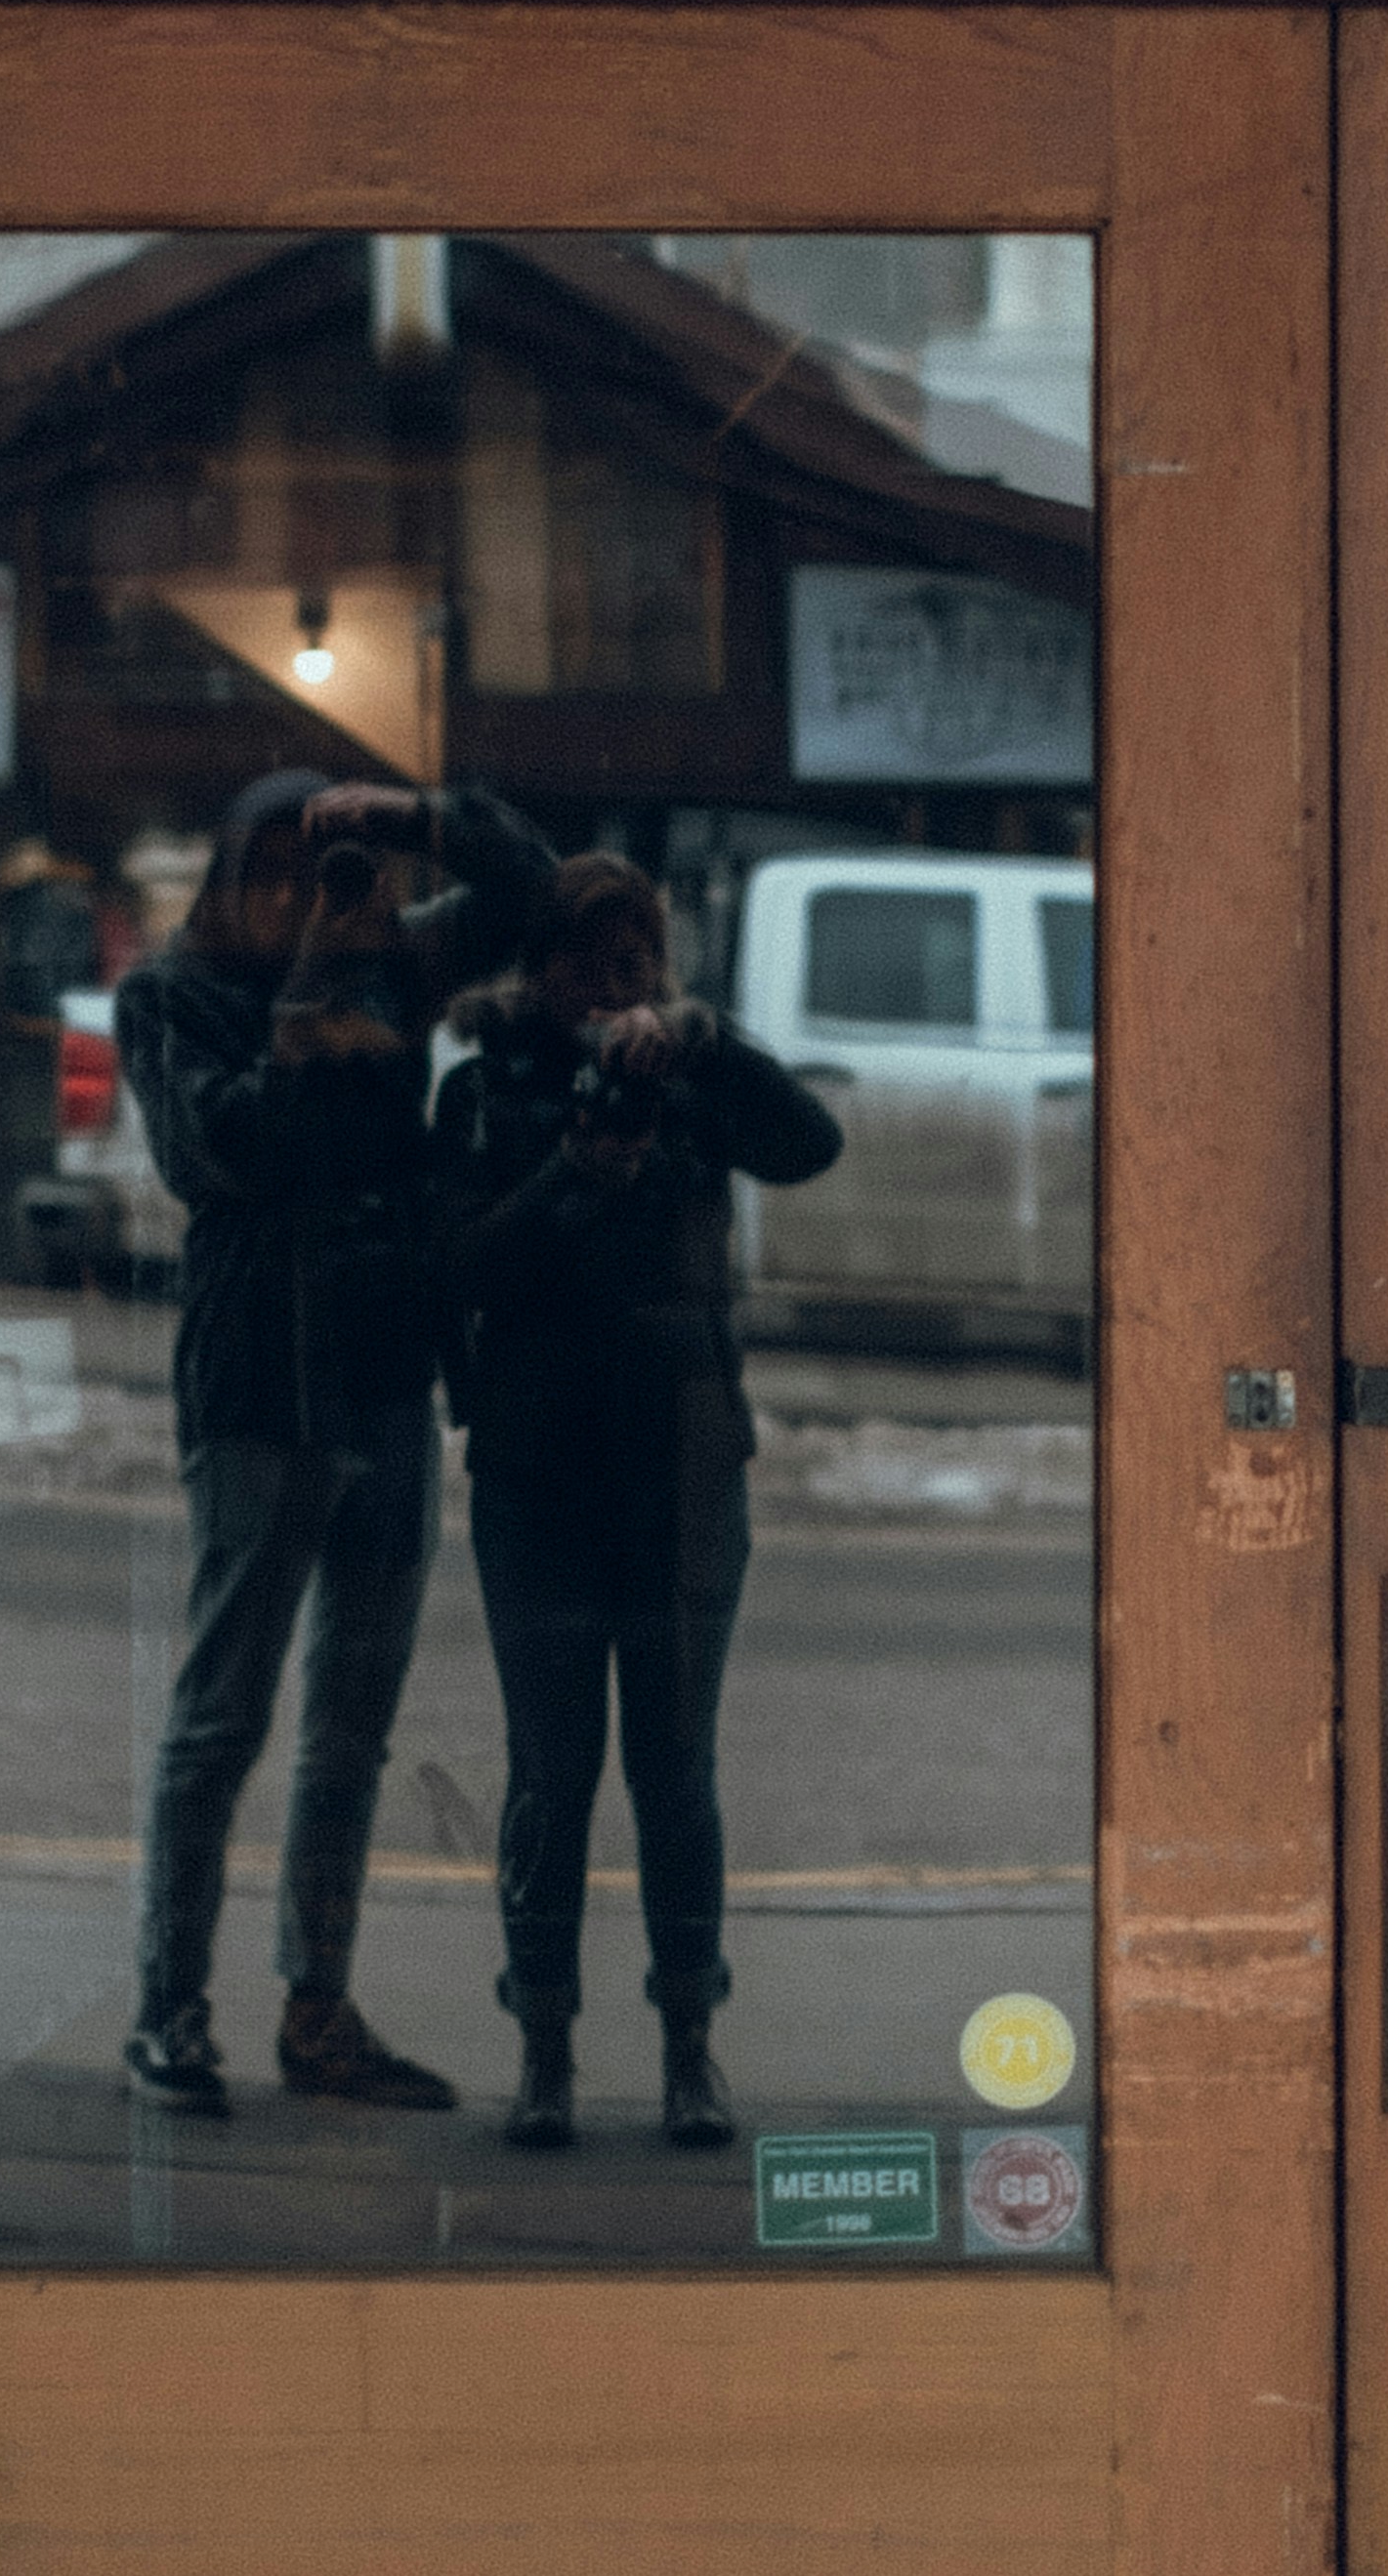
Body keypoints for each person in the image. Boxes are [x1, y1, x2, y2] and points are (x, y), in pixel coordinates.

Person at [113, 763, 555, 2117]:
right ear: (234, 874)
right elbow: (217, 1154)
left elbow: (534, 889)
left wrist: (415, 817)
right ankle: (168, 2016)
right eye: (291, 871)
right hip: (261, 1380)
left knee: (350, 1730)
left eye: (332, 876)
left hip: (385, 1375)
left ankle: (318, 2008)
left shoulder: (392, 966)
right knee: (220, 1717)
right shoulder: (172, 993)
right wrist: (308, 1011)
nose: (316, 896)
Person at [433, 852, 842, 2151]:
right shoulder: (483, 1085)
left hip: (684, 1467)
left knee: (677, 1773)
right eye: (598, 961)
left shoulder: (695, 1076)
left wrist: (708, 1040)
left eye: (642, 962)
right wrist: (576, 1174)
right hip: (540, 1469)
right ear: (544, 972)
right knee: (549, 1777)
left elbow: (809, 1143)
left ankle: (688, 2049)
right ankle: (544, 2047)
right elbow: (455, 1267)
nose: (624, 986)